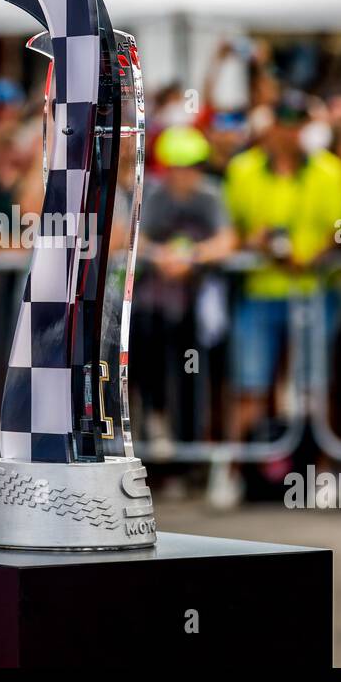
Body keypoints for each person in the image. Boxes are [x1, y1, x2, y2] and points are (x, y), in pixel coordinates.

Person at [220, 90, 341, 509]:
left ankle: (322, 473)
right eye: (283, 122)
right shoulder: (242, 170)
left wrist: (310, 257)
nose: (289, 132)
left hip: (312, 292)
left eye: (297, 123)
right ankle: (234, 473)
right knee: (251, 385)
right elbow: (232, 230)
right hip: (260, 290)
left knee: (314, 385)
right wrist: (254, 242)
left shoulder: (329, 170)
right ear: (270, 126)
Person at [135, 127, 235, 472]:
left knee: (195, 374)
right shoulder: (153, 195)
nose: (185, 174)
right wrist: (162, 256)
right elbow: (135, 239)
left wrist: (191, 256)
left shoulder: (211, 195)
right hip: (155, 305)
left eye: (192, 166)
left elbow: (226, 241)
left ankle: (193, 453)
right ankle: (158, 438)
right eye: (178, 166)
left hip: (198, 306)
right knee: (152, 373)